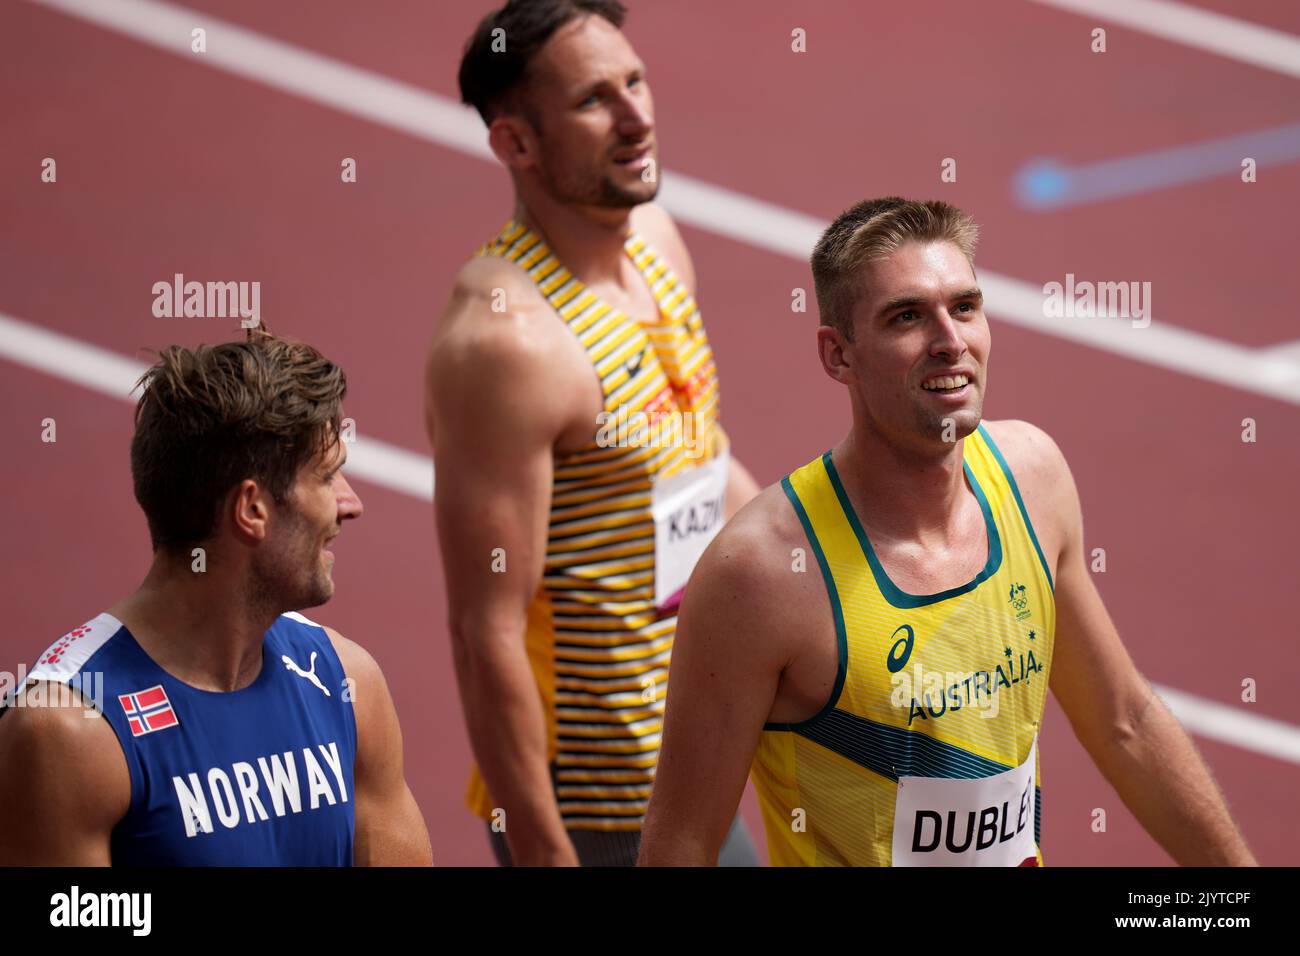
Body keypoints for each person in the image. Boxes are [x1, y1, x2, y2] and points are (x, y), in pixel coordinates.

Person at [638, 197, 1257, 867]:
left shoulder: (1033, 479)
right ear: (838, 355)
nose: (949, 340)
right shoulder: (762, 575)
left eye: (964, 307)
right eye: (907, 316)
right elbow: (681, 846)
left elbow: (1124, 722)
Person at [425, 0, 760, 866]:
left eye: (635, 81)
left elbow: (702, 460)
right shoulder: (507, 343)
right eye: (592, 101)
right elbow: (483, 629)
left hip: (696, 750)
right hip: (597, 808)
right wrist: (541, 848)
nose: (638, 116)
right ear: (516, 144)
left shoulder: (654, 240)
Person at [0, 329, 432, 866]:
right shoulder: (68, 733)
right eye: (327, 477)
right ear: (251, 510)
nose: (351, 503)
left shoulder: (346, 685)